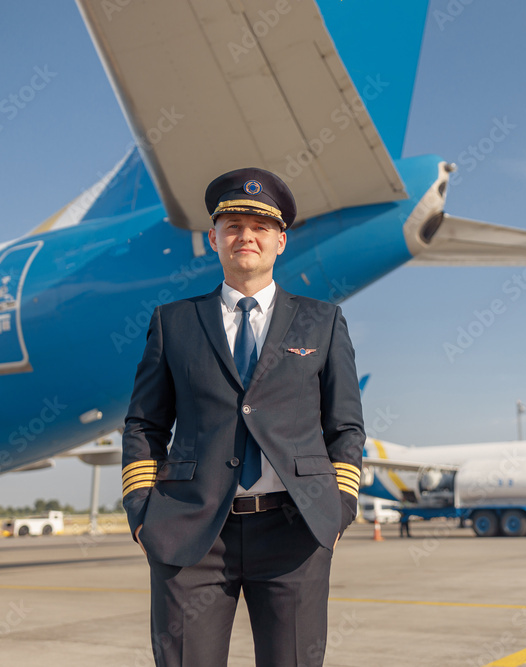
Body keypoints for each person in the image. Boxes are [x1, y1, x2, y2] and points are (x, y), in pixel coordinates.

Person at [121, 167, 365, 666]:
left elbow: (345, 427)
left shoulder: (322, 321)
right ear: (214, 239)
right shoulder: (174, 322)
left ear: (280, 241)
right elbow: (145, 424)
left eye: (260, 227)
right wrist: (142, 514)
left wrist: (339, 508)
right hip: (189, 532)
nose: (246, 236)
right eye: (232, 226)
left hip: (295, 531)